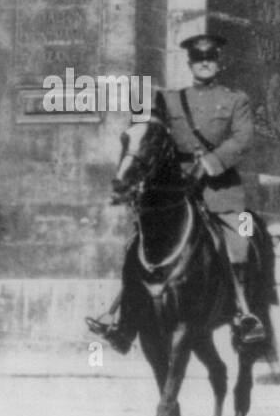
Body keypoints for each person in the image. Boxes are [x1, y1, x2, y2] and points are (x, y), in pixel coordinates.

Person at [88, 33, 267, 351]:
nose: (205, 63)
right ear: (190, 64)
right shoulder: (169, 98)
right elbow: (144, 130)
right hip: (177, 187)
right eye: (198, 59)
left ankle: (244, 314)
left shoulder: (236, 99)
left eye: (210, 57)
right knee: (137, 245)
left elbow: (242, 140)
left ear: (219, 61)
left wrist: (210, 163)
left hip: (221, 190)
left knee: (239, 243)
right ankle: (122, 322)